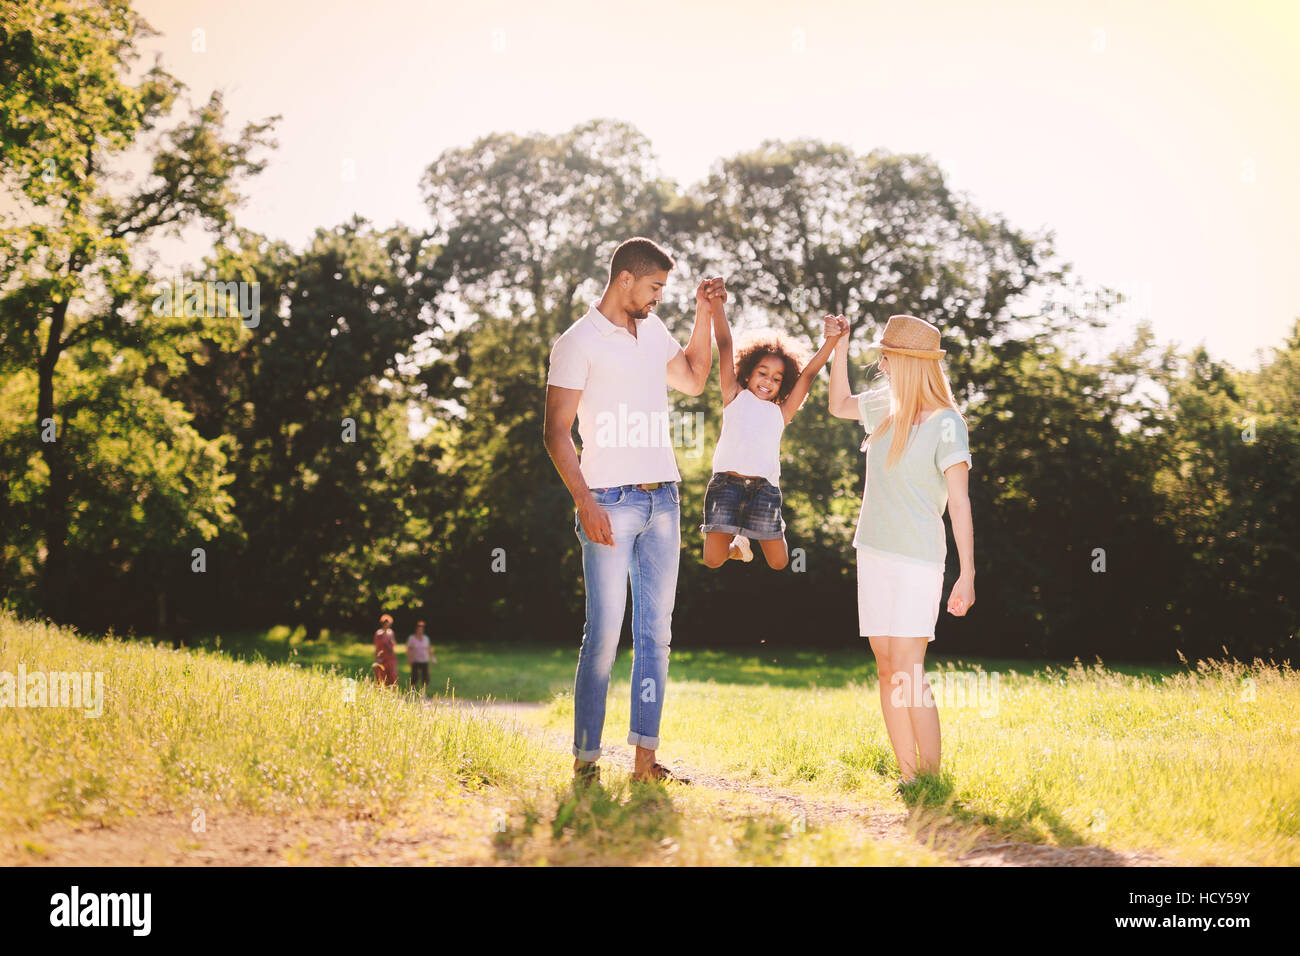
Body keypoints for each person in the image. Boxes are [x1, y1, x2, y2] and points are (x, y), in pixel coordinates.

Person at [543, 236, 717, 786]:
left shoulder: (654, 330)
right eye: (654, 287)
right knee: (603, 633)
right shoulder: (577, 343)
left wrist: (706, 316)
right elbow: (554, 432)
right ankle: (587, 759)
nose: (658, 297)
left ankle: (645, 762)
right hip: (608, 504)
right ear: (625, 280)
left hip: (663, 499)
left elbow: (692, 379)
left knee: (656, 637)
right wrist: (584, 501)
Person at [826, 313, 975, 787]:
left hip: (918, 561)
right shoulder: (884, 409)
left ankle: (931, 779)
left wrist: (967, 574)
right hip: (872, 553)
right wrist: (839, 347)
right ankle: (909, 777)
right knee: (887, 668)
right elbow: (837, 405)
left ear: (908, 362)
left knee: (909, 670)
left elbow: (960, 502)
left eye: (886, 357)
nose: (881, 364)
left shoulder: (948, 424)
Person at [700, 286, 838, 569]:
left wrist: (832, 340)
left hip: (764, 490)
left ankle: (756, 530)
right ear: (749, 372)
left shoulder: (781, 412)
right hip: (726, 485)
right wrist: (716, 303)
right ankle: (738, 546)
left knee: (779, 562)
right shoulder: (734, 395)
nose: (768, 381)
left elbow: (810, 373)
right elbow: (725, 344)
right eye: (762, 373)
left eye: (776, 378)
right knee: (713, 560)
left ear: (782, 384)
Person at [406, 620, 435, 694]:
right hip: (415, 660)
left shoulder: (426, 638)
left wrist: (433, 658)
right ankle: (412, 691)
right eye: (419, 629)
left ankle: (423, 692)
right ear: (416, 630)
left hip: (424, 660)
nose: (420, 631)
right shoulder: (412, 638)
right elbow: (408, 649)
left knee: (425, 678)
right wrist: (409, 659)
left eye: (422, 629)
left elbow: (429, 648)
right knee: (414, 677)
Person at [373, 614, 398, 687]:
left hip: (390, 657)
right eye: (385, 623)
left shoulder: (391, 633)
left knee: (393, 676)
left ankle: (393, 692)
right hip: (382, 657)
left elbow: (393, 644)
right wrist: (377, 658)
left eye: (388, 624)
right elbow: (377, 647)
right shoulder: (378, 633)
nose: (387, 625)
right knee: (381, 677)